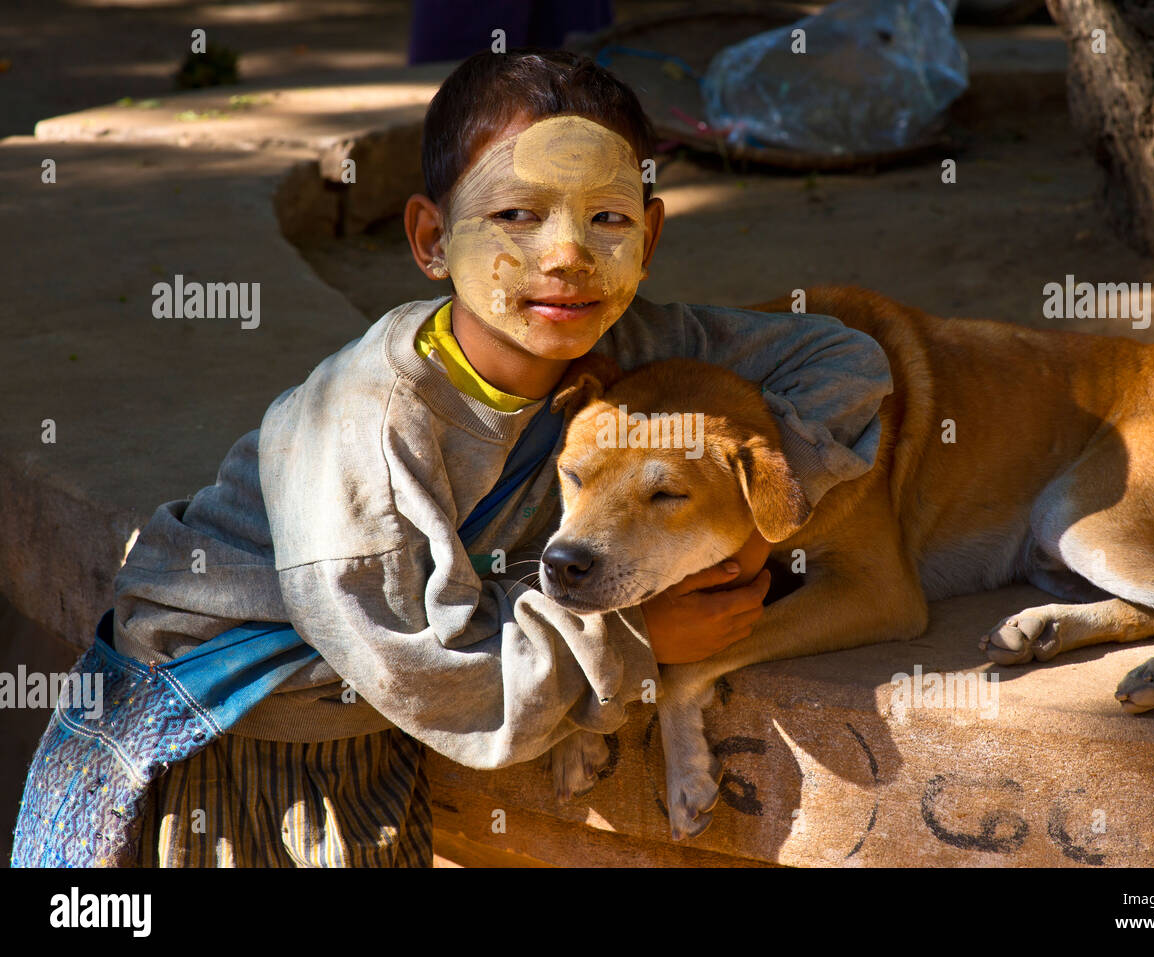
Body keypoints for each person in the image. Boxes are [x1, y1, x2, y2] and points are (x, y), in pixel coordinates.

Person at [15, 48, 892, 867]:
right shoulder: (367, 424)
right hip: (240, 746)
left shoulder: (650, 343)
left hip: (373, 749)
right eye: (515, 214)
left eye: (608, 219)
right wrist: (634, 635)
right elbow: (427, 675)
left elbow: (846, 362)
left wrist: (751, 510)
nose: (567, 256)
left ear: (650, 240)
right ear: (432, 239)